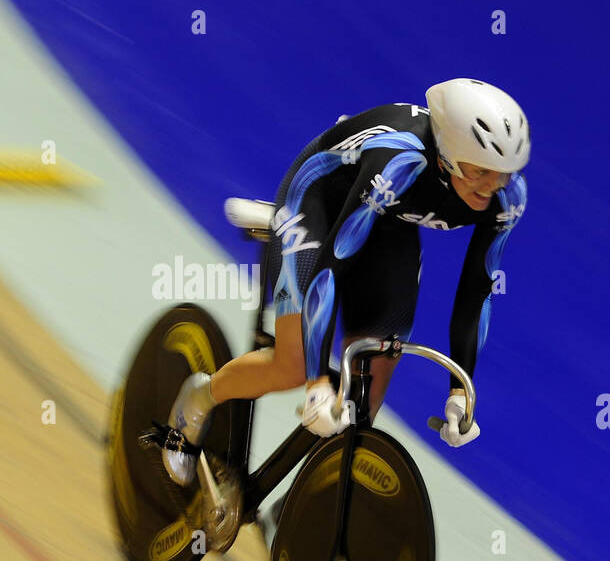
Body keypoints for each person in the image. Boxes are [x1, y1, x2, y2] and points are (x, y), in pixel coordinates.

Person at [163, 78, 529, 486]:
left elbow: (476, 290)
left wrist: (460, 390)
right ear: (447, 155)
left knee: (371, 382)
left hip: (388, 218)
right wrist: (318, 380)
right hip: (320, 200)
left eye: (503, 175)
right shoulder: (399, 161)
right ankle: (198, 397)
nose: (491, 187)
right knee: (293, 364)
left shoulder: (507, 197)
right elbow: (331, 267)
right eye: (480, 172)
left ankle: (312, 497)